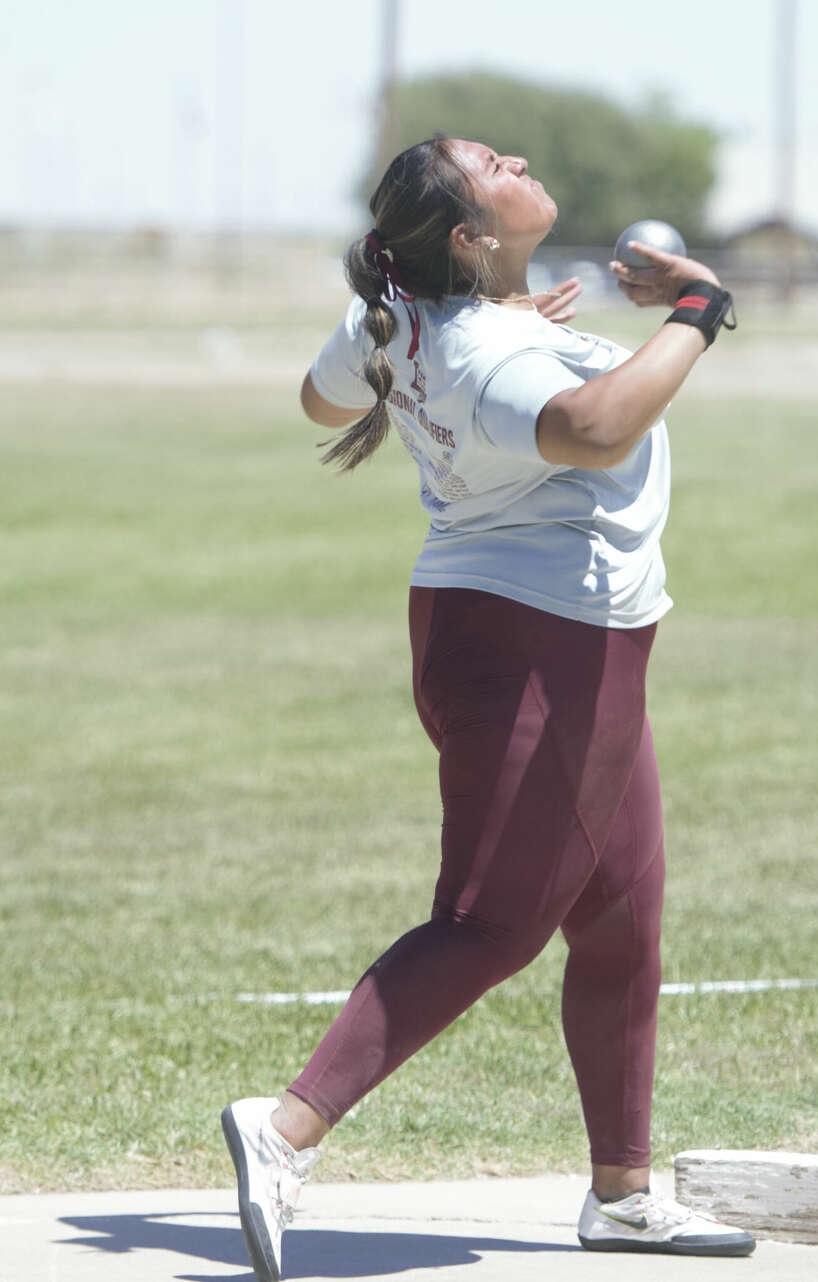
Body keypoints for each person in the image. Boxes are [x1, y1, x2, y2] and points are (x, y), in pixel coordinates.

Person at [221, 135, 746, 1282]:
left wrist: (509, 324)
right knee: (489, 921)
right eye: (492, 166)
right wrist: (698, 311)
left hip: (523, 636)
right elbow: (599, 427)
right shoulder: (483, 348)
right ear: (469, 236)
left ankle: (623, 1195)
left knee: (622, 918)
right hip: (541, 648)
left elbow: (321, 399)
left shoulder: (413, 316)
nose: (515, 157)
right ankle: (286, 1127)